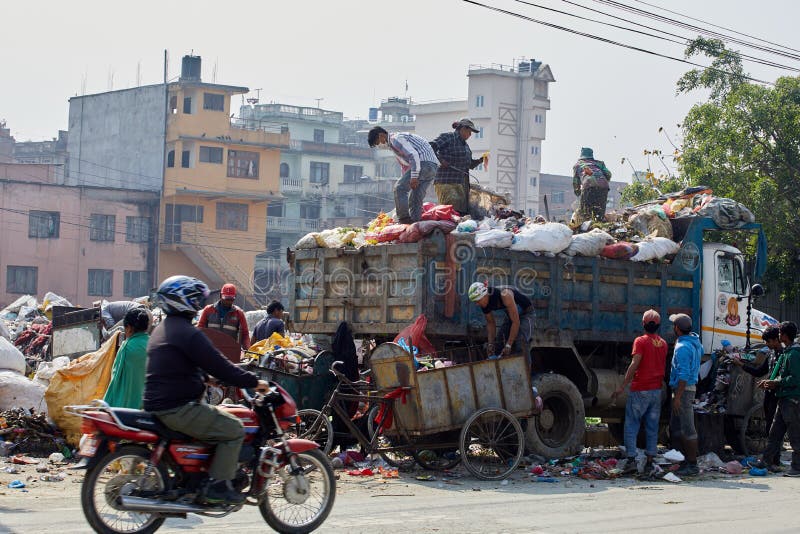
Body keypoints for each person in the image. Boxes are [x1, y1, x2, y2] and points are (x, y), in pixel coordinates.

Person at [143, 275, 270, 505]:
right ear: (185, 302)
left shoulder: (164, 329)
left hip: (162, 402)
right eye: (194, 299)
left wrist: (205, 378)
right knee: (233, 428)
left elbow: (179, 364)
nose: (198, 304)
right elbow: (219, 364)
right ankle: (218, 487)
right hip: (178, 407)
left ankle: (198, 478)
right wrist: (254, 382)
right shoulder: (188, 331)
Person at [613, 310, 667, 473]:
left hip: (640, 389)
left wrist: (622, 386)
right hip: (656, 390)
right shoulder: (663, 344)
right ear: (658, 325)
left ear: (643, 324)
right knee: (652, 426)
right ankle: (649, 461)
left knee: (632, 424)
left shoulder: (640, 341)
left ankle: (631, 460)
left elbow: (634, 364)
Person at [731, 325, 782, 465]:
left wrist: (771, 382)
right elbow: (760, 372)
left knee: (775, 429)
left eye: (769, 342)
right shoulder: (771, 355)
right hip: (770, 395)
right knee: (770, 428)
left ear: (777, 339)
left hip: (780, 397)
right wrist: (741, 365)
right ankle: (773, 460)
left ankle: (773, 460)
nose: (767, 344)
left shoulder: (784, 354)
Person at [367, 126, 439, 224]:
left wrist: (413, 177)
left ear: (381, 135)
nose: (379, 145)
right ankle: (414, 224)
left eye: (377, 142)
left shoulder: (395, 139)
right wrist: (409, 179)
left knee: (399, 188)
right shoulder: (394, 146)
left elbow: (413, 155)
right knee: (415, 197)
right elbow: (405, 167)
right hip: (432, 167)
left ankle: (404, 219)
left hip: (424, 163)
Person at [756, 321, 800, 476]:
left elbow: (795, 379)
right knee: (774, 433)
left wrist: (776, 382)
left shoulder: (794, 354)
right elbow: (780, 375)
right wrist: (770, 383)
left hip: (792, 400)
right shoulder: (787, 352)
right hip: (783, 399)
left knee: (795, 435)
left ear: (785, 336)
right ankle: (766, 461)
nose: (778, 335)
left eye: (780, 333)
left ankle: (797, 467)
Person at [668, 313, 703, 477]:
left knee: (688, 428)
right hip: (689, 388)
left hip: (685, 390)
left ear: (677, 328)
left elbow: (683, 374)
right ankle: (684, 462)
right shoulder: (695, 343)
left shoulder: (682, 348)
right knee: (680, 427)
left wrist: (678, 397)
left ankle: (692, 465)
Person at [430, 118, 486, 215]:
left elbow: (469, 165)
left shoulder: (466, 146)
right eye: (469, 131)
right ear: (463, 129)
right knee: (451, 208)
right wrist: (440, 160)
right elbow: (431, 147)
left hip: (462, 184)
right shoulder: (448, 137)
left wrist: (481, 160)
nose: (470, 135)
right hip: (446, 181)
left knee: (461, 212)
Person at [468, 281, 534, 358]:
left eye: (478, 301)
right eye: (475, 302)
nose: (477, 304)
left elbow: (516, 322)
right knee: (499, 343)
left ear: (485, 295)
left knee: (521, 344)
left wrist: (509, 345)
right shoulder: (484, 303)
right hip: (511, 315)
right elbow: (491, 323)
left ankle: (526, 369)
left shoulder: (505, 295)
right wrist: (490, 344)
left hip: (526, 313)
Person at [103, 308, 151, 409]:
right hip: (149, 407)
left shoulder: (126, 347)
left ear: (128, 328)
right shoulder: (153, 344)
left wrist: (105, 405)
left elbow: (116, 378)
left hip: (126, 409)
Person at [198, 283, 250, 350]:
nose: (228, 301)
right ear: (220, 296)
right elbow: (200, 330)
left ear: (235, 297)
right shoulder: (208, 310)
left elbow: (245, 335)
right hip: (210, 351)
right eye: (226, 298)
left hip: (230, 352)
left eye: (231, 299)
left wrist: (248, 350)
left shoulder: (239, 313)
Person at [572, 147, 612, 224]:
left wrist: (578, 193)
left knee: (585, 213)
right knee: (599, 212)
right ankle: (599, 227)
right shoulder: (600, 163)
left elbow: (576, 182)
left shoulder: (578, 165)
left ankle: (586, 229)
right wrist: (601, 181)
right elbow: (608, 174)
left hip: (588, 185)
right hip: (604, 186)